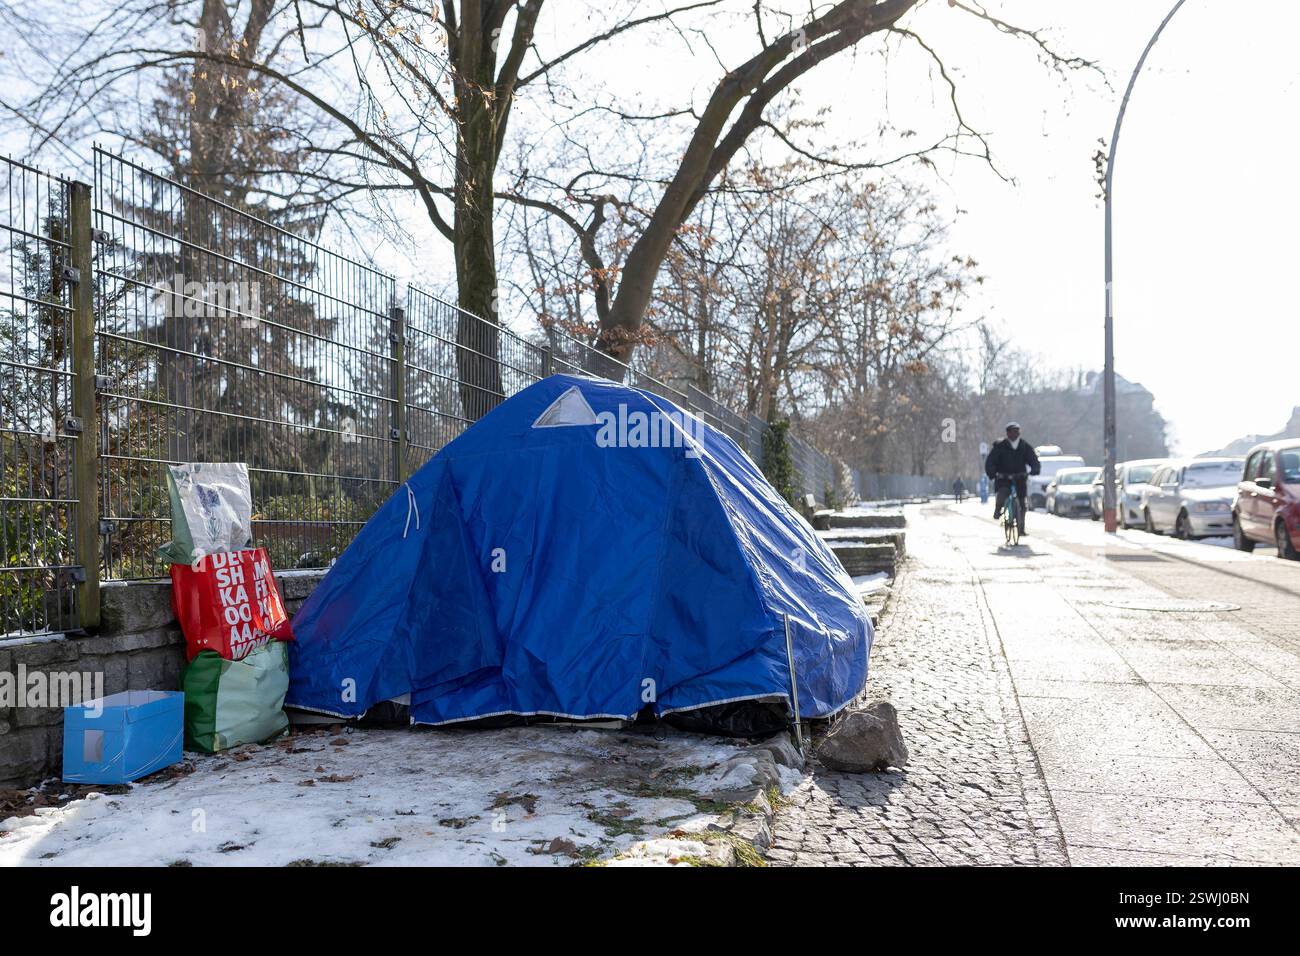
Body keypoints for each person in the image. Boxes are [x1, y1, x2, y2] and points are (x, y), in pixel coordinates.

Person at [984, 422, 1041, 536]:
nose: (1015, 434)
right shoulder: (1000, 446)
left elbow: (1033, 459)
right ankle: (998, 509)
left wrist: (1035, 469)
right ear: (1008, 433)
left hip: (1020, 477)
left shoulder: (1024, 446)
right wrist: (993, 473)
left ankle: (1021, 528)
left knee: (1022, 503)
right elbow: (990, 461)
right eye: (1013, 431)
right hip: (1003, 477)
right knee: (1003, 492)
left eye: (1017, 431)